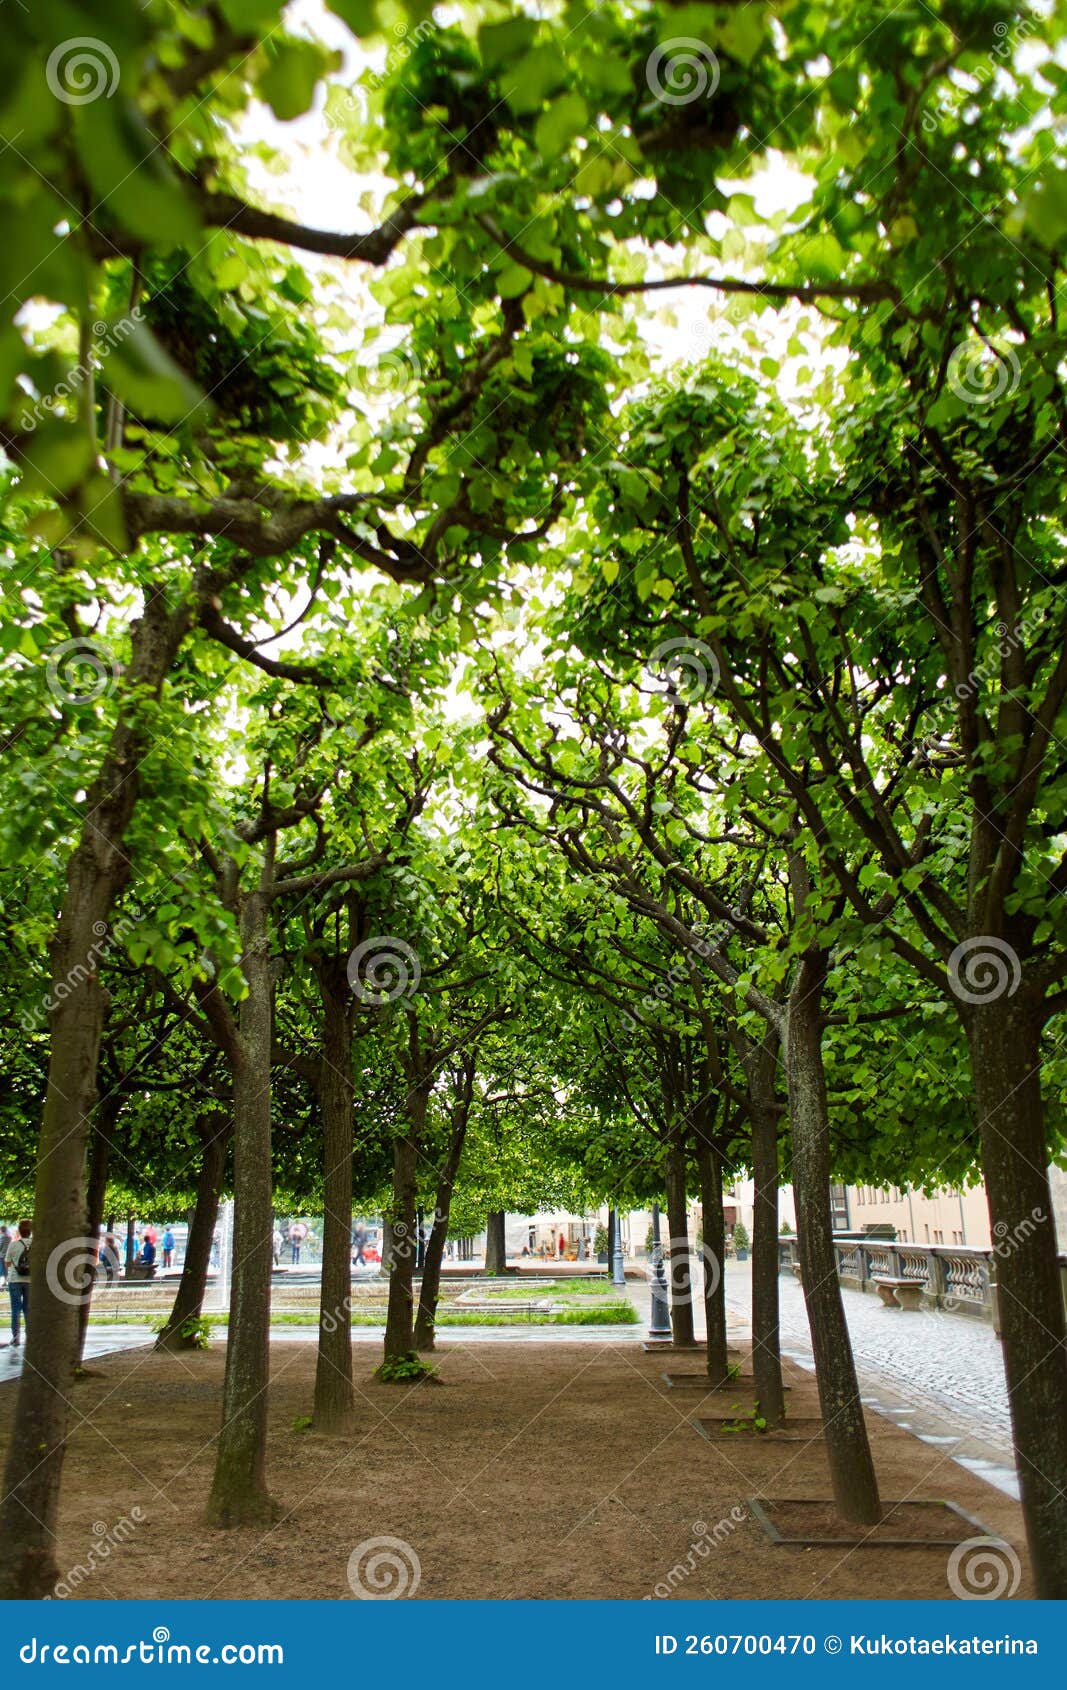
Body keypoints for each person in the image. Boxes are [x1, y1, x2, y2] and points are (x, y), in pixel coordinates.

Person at [6, 1220, 31, 1348]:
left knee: (15, 1309)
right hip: (30, 1281)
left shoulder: (13, 1245)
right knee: (28, 1309)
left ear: (20, 1231)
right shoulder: (35, 1245)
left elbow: (7, 1262)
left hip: (15, 1280)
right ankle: (30, 1337)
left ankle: (16, 1337)